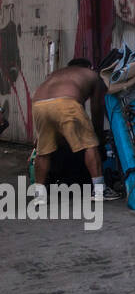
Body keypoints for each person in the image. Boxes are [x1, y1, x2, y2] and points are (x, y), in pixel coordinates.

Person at [31, 59, 120, 200]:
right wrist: (97, 136)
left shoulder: (55, 74)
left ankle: (39, 194)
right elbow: (96, 108)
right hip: (66, 103)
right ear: (89, 66)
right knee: (89, 144)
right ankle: (100, 190)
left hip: (38, 104)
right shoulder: (90, 74)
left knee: (44, 151)